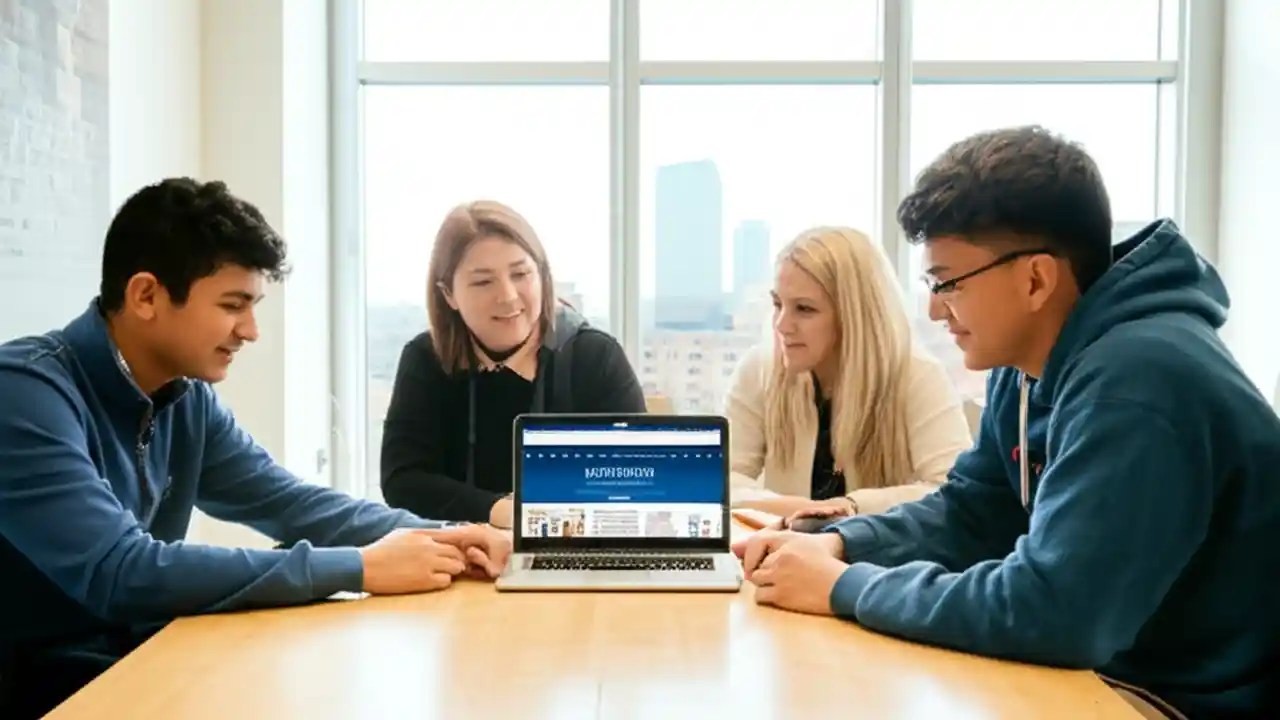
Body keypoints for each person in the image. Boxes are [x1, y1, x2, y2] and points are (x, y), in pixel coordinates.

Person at [734, 126, 1280, 719]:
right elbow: (974, 512)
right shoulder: (1026, 367)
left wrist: (844, 588)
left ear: (1036, 279)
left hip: (1182, 700)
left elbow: (1057, 612)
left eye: (948, 283)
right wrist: (839, 542)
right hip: (1108, 675)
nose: (935, 309)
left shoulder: (1138, 382)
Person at [0, 179, 511, 719]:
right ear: (145, 295)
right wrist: (360, 568)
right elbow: (121, 571)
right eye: (232, 305)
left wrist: (454, 537)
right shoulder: (24, 393)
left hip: (131, 665)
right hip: (40, 688)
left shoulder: (185, 396)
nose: (251, 331)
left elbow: (289, 503)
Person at [380, 200, 645, 527]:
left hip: (572, 548)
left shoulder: (594, 356)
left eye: (520, 274)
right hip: (462, 554)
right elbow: (403, 480)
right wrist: (501, 512)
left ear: (543, 277)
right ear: (448, 294)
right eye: (482, 282)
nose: (507, 296)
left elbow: (634, 477)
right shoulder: (426, 358)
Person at [725, 226, 972, 522]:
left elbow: (953, 492)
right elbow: (718, 481)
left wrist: (851, 506)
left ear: (853, 315)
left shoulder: (917, 376)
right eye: (778, 304)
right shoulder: (759, 369)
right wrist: (800, 510)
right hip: (782, 556)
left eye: (803, 309)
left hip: (881, 563)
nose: (781, 324)